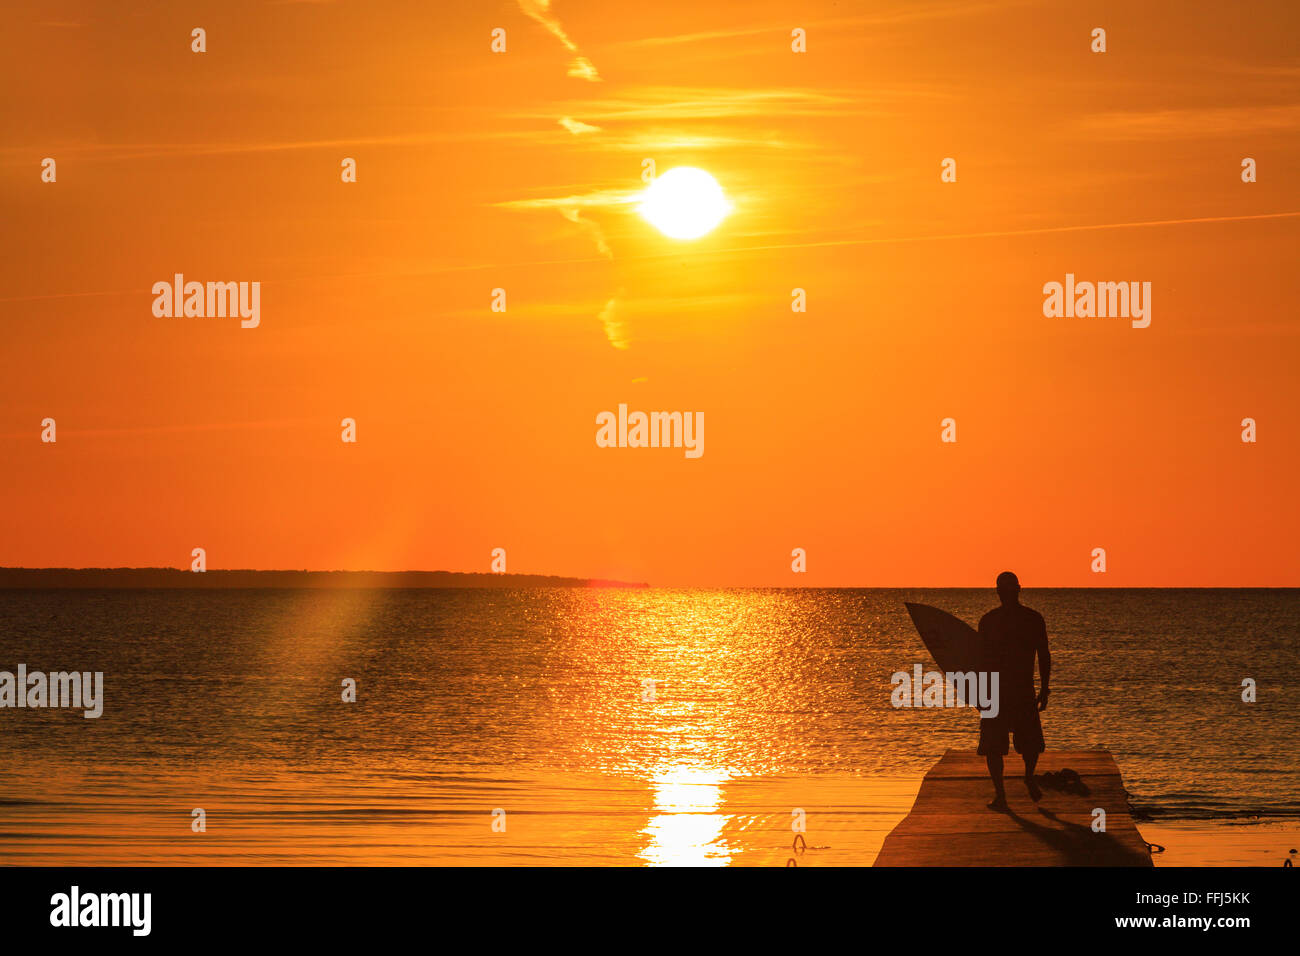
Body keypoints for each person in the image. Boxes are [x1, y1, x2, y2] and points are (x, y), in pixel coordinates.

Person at [978, 571, 1050, 810]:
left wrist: (1045, 688)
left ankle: (1012, 788)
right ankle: (1007, 791)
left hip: (1012, 691)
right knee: (996, 746)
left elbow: (1043, 655)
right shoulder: (1026, 619)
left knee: (1020, 745)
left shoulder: (998, 620)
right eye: (1004, 590)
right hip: (1006, 692)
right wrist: (1045, 688)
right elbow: (980, 662)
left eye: (1008, 590)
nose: (1006, 594)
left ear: (1015, 591)